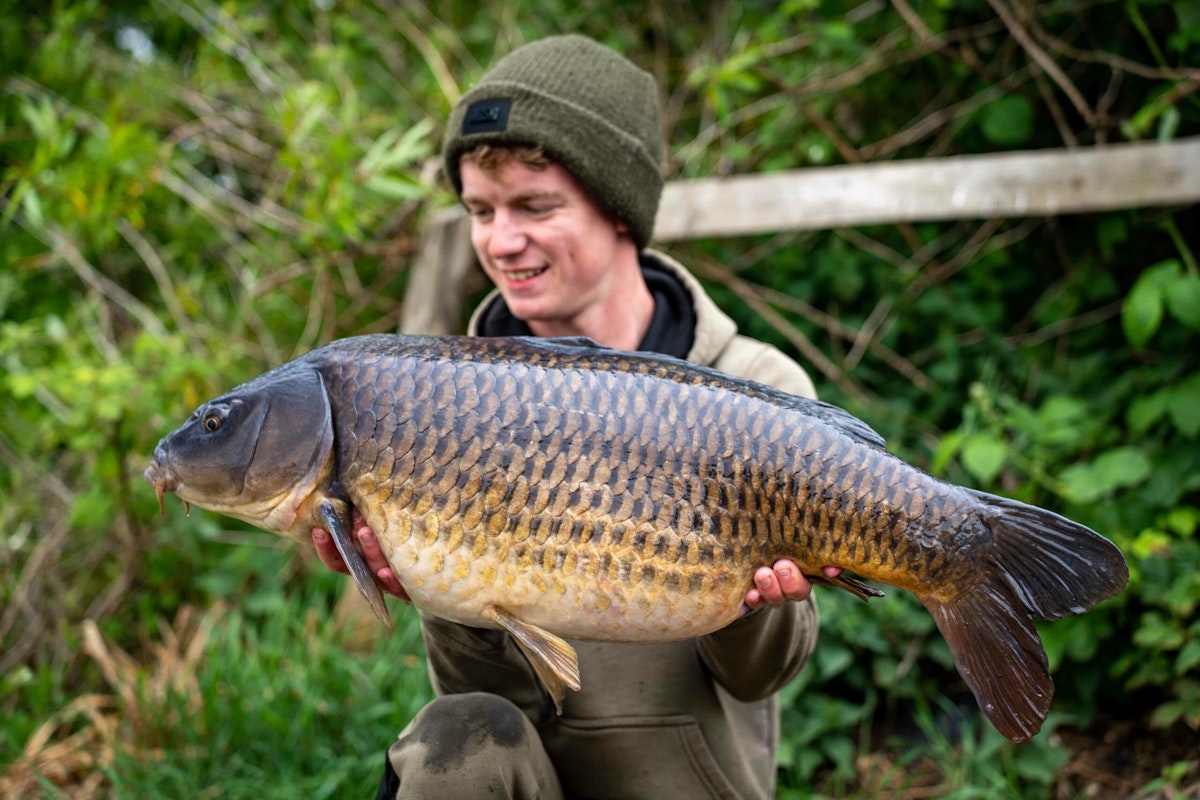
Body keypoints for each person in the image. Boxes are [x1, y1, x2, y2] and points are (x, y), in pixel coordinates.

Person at [312, 34, 840, 800]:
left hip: (691, 788)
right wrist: (438, 588)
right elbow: (490, 703)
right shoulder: (435, 405)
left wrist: (756, 602)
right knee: (451, 740)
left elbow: (761, 678)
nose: (501, 240)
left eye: (534, 206)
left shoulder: (754, 386)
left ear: (618, 208)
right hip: (531, 782)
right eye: (480, 210)